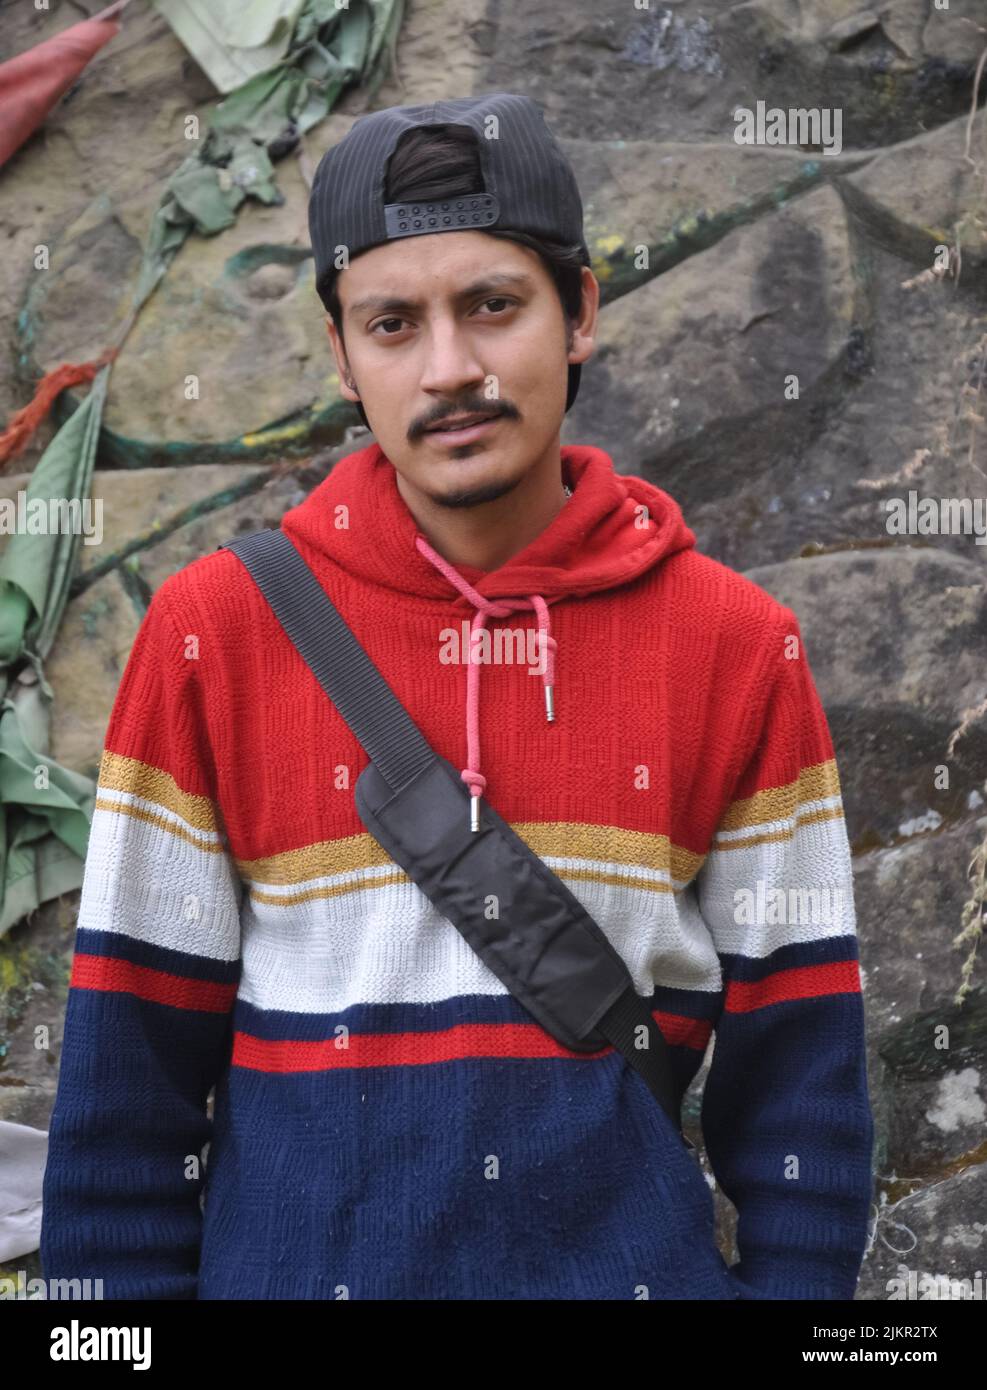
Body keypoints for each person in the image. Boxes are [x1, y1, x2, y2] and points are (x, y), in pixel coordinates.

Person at [39, 93, 875, 1300]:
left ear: (579, 311)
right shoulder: (211, 638)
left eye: (493, 304)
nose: (450, 368)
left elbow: (804, 1091)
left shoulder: (737, 649)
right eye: (393, 322)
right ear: (340, 355)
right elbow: (128, 1098)